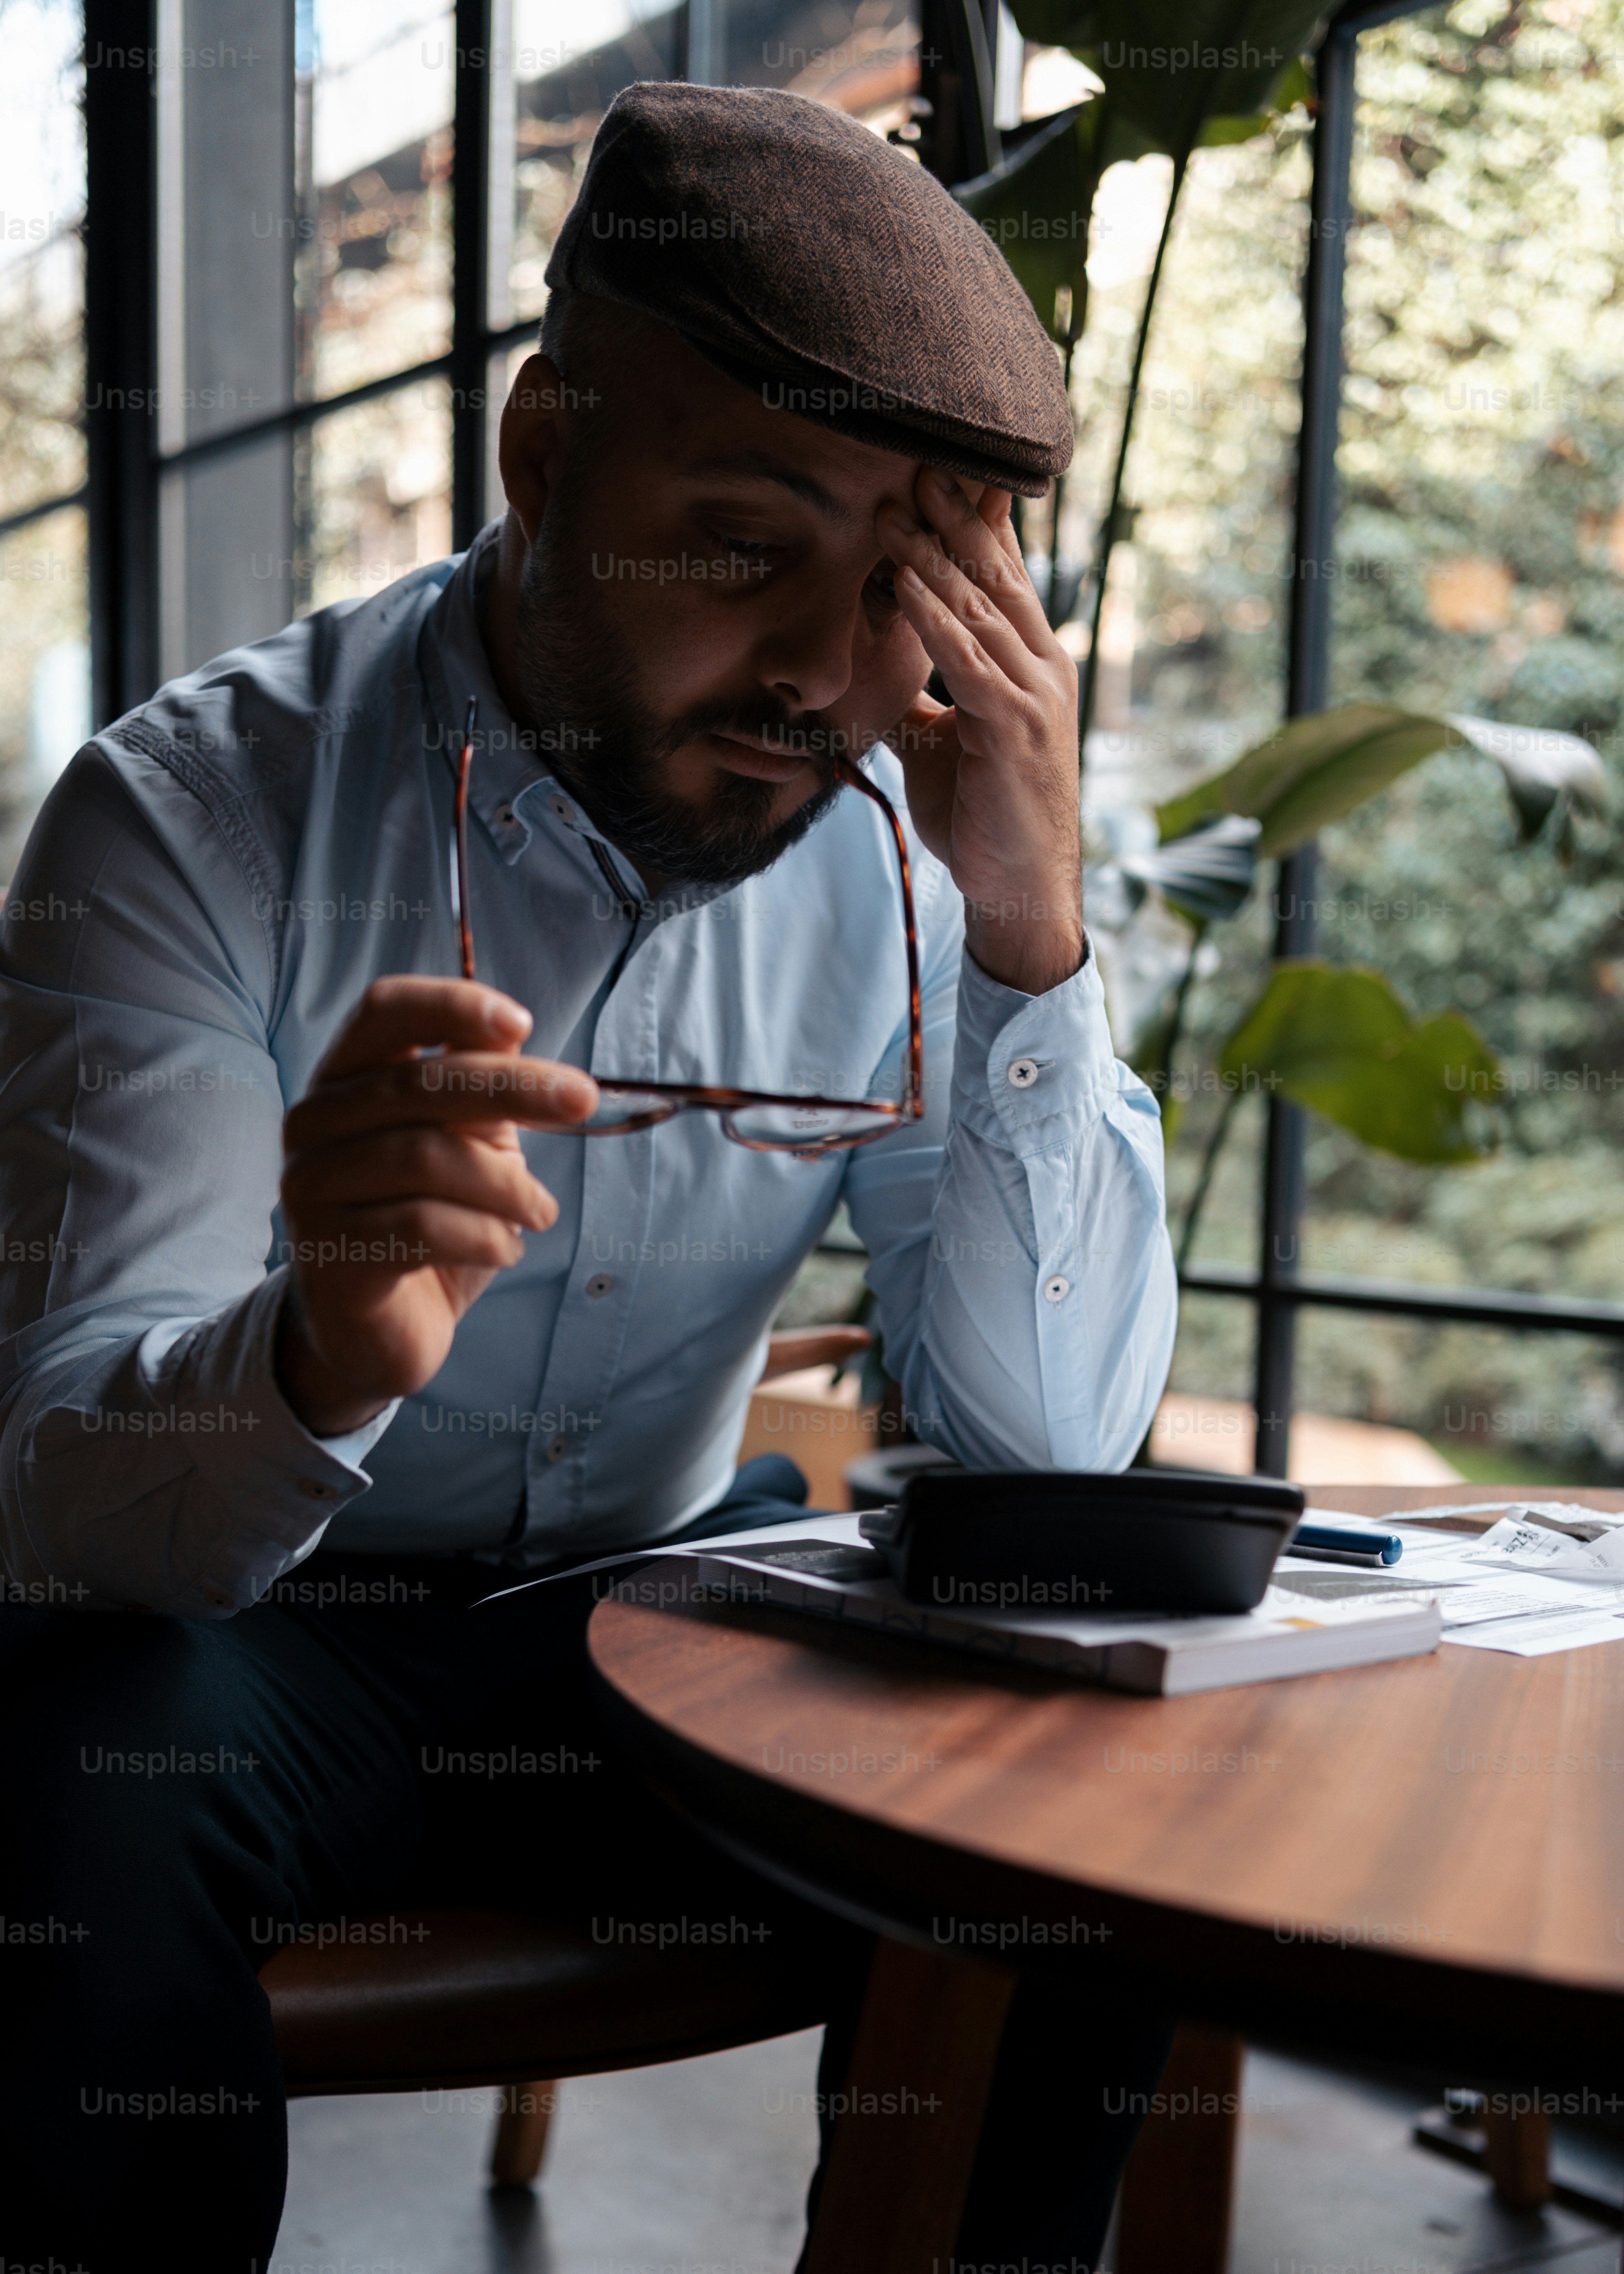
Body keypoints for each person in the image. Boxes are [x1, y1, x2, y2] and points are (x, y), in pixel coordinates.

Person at [0, 82, 1176, 2265]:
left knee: (1080, 1773)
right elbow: (63, 1488)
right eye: (741, 546)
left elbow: (1047, 1451)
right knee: (69, 1789)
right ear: (545, 460)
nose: (824, 673)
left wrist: (1027, 944)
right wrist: (314, 1339)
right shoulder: (192, 820)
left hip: (658, 1623)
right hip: (264, 1629)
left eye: (903, 589)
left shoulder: (927, 864)